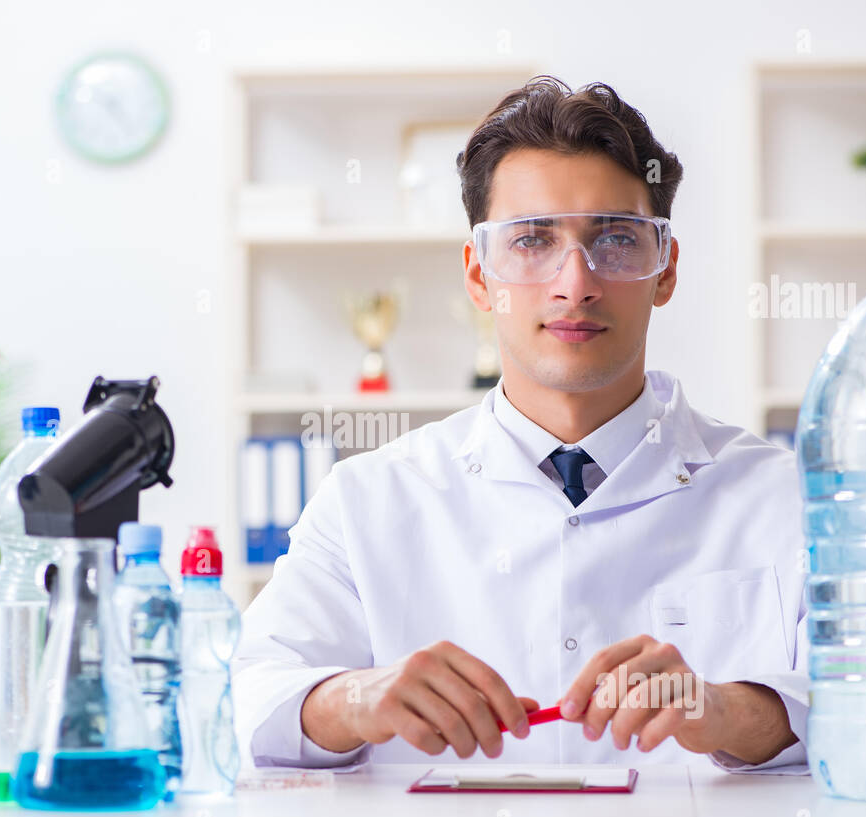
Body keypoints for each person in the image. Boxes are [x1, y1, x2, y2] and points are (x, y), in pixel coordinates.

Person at [231, 76, 807, 774]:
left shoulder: (786, 495)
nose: (576, 282)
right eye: (532, 239)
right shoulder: (366, 500)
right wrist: (356, 696)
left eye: (616, 239)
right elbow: (251, 698)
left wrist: (725, 711)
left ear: (664, 268)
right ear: (479, 275)